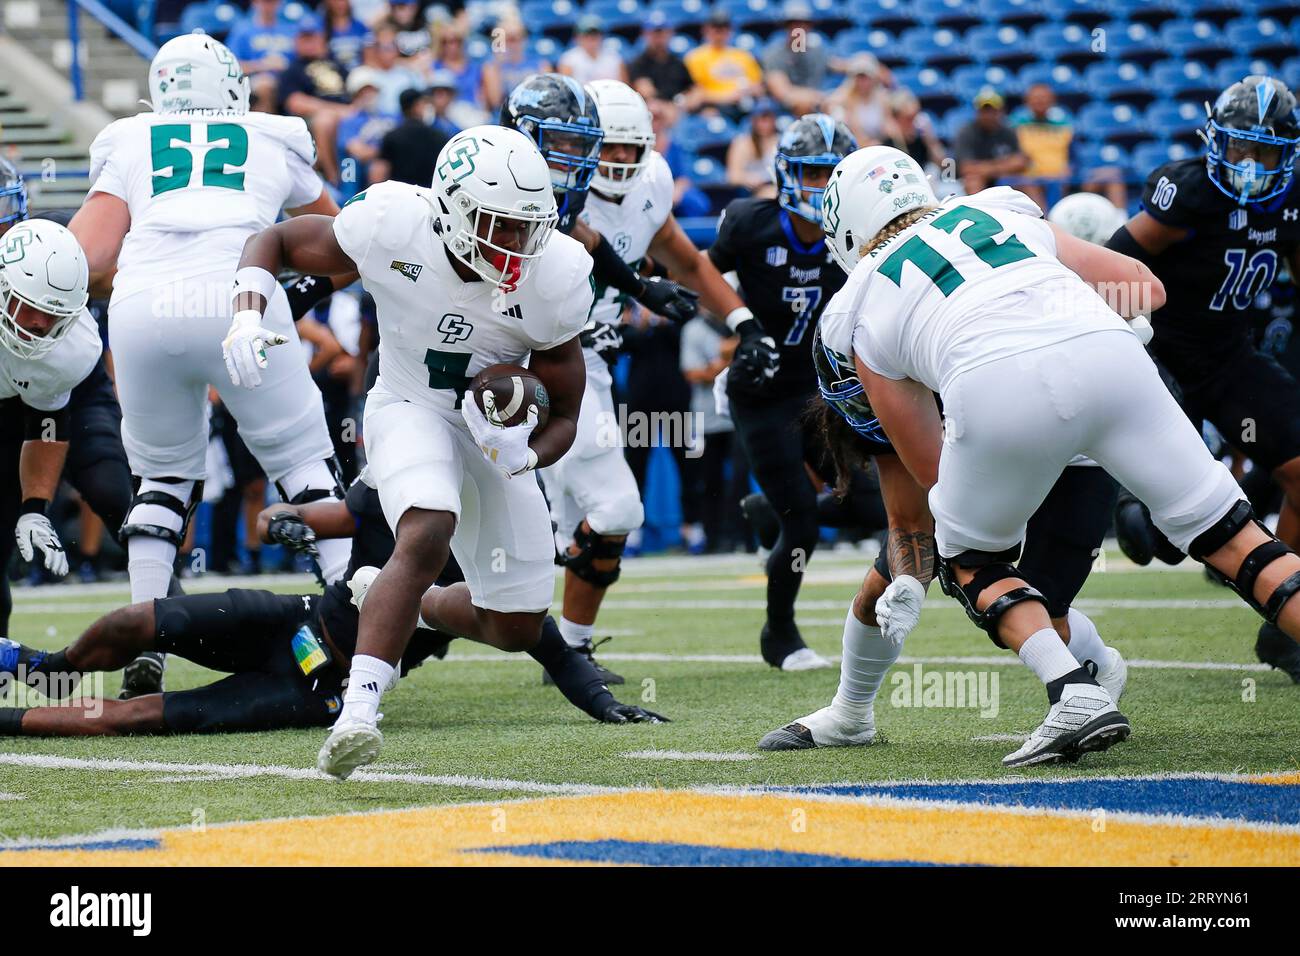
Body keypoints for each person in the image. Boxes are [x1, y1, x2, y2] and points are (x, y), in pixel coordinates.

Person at [817, 143, 1300, 767]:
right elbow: (1142, 287)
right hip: (1111, 355)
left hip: (998, 384)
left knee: (971, 558)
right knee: (1239, 541)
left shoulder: (855, 305)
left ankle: (1072, 691)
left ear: (848, 227)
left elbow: (931, 473)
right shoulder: (996, 213)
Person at [231, 125, 596, 779]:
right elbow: (277, 240)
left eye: (527, 226)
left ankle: (402, 597)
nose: (517, 243)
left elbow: (566, 412)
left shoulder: (556, 274)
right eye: (499, 224)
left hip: (490, 430)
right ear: (453, 210)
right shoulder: (394, 222)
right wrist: (247, 313)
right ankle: (358, 713)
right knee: (429, 527)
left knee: (513, 624)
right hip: (408, 404)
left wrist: (528, 454)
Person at [761, 191, 1137, 755]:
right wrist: (911, 576)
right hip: (997, 446)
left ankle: (1088, 675)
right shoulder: (881, 334)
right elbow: (919, 515)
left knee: (1034, 604)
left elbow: (1134, 290)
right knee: (898, 583)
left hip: (1066, 441)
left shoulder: (977, 272)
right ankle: (850, 712)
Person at [67, 35, 351, 697]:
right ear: (232, 88)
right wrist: (305, 289)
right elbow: (342, 240)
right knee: (306, 466)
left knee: (162, 478)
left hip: (143, 306)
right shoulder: (272, 136)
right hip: (239, 294)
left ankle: (148, 640)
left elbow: (91, 254)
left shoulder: (133, 138)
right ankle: (358, 630)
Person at [0, 474, 665, 737]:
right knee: (135, 620)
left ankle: (7, 722)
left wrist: (603, 704)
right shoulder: (403, 483)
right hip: (300, 620)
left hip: (328, 683)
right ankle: (47, 666)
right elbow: (321, 515)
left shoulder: (493, 557)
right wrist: (287, 518)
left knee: (141, 715)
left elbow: (543, 638)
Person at [538, 80, 753, 672]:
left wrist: (741, 319)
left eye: (631, 151)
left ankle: (571, 645)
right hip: (523, 363)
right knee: (583, 520)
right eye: (608, 148)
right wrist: (640, 285)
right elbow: (593, 244)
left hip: (591, 362)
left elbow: (683, 257)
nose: (619, 162)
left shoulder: (653, 181)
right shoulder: (543, 187)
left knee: (596, 519)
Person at [1106, 75, 1300, 682]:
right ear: (1217, 142)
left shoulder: (1292, 199)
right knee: (1153, 532)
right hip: (1159, 350)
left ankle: (1283, 621)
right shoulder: (1189, 191)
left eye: (1264, 151)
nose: (1249, 163)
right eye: (1240, 147)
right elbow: (1116, 258)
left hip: (1228, 356)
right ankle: (1135, 507)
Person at [708, 113, 860, 670]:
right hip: (764, 391)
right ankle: (781, 633)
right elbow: (702, 273)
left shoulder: (859, 235)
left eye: (830, 176)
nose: (819, 188)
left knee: (875, 504)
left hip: (826, 390)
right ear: (786, 174)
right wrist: (739, 326)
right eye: (810, 175)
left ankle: (766, 513)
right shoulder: (751, 222)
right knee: (802, 520)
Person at [276, 15, 350, 183]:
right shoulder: (293, 69)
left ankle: (355, 182)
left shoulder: (337, 64)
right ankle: (334, 180)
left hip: (347, 115)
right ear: (296, 42)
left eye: (313, 38)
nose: (310, 43)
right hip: (312, 120)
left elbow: (355, 88)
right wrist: (340, 111)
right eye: (304, 38)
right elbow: (295, 102)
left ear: (322, 39)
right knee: (325, 120)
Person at [683, 9, 763, 120]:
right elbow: (695, 94)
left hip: (744, 105)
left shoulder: (743, 56)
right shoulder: (696, 57)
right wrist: (728, 96)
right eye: (716, 28)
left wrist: (747, 90)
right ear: (706, 30)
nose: (720, 32)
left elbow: (758, 87)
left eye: (724, 28)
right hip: (714, 107)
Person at [1009, 83, 1074, 211]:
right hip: (1028, 178)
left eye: (1044, 97)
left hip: (1059, 177)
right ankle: (1045, 222)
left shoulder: (1064, 125)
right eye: (1035, 97)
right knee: (1030, 185)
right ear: (1027, 101)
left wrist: (1071, 168)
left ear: (1052, 100)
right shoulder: (1015, 125)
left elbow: (1074, 155)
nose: (1040, 100)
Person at [952, 87, 1029, 196]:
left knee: (1026, 183)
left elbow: (1020, 162)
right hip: (973, 179)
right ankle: (977, 213)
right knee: (973, 181)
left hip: (1001, 178)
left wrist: (986, 169)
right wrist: (1004, 165)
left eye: (993, 110)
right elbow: (967, 168)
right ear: (977, 112)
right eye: (985, 111)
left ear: (1002, 111)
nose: (989, 115)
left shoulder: (1008, 131)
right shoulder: (966, 132)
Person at [762, 0, 830, 116]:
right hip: (784, 111)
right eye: (794, 24)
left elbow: (836, 65)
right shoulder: (774, 54)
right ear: (786, 27)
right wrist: (816, 96)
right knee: (803, 103)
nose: (799, 28)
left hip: (818, 103)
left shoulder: (816, 51)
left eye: (804, 24)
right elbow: (783, 93)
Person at [373, 86, 451, 186]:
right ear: (416, 106)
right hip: (428, 196)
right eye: (424, 103)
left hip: (398, 196)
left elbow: (378, 174)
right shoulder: (438, 135)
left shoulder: (392, 136)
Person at [823, 53, 896, 147]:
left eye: (866, 77)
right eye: (859, 77)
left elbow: (889, 127)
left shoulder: (882, 98)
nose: (863, 82)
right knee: (839, 114)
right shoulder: (845, 96)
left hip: (878, 144)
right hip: (855, 146)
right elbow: (827, 104)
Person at [628, 11, 696, 108]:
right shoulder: (638, 63)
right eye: (654, 33)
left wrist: (687, 98)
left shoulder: (677, 62)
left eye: (662, 33)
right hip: (653, 110)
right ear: (645, 35)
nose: (658, 38)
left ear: (670, 33)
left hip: (678, 108)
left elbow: (691, 87)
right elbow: (646, 91)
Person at [725, 98, 781, 196]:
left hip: (777, 187)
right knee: (771, 195)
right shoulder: (743, 143)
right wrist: (747, 178)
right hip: (752, 193)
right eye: (760, 118)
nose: (764, 123)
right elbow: (732, 176)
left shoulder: (782, 140)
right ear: (753, 120)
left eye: (768, 118)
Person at [557, 16, 626, 86]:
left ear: (601, 36)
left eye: (594, 35)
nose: (590, 40)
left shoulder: (614, 57)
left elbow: (624, 87)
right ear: (577, 38)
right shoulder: (569, 59)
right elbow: (567, 88)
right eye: (586, 36)